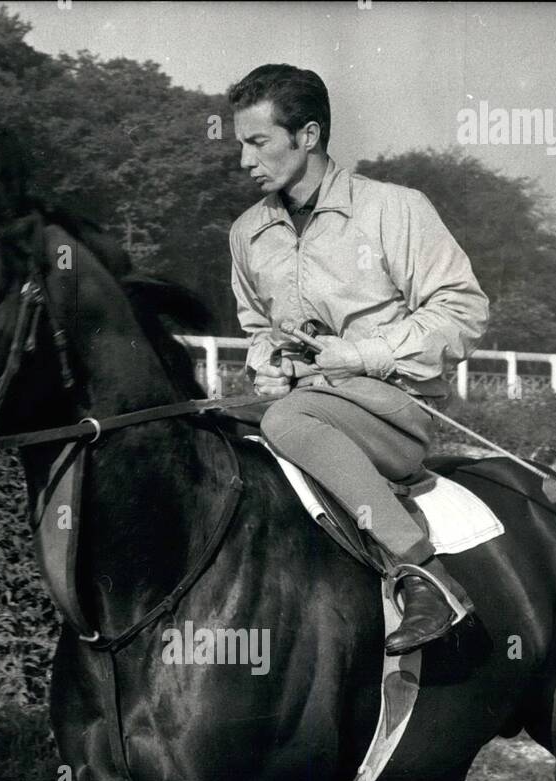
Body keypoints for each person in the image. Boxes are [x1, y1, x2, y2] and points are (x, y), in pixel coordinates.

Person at [227, 64, 490, 653]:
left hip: (396, 411)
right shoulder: (247, 233)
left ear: (310, 135)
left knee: (287, 421)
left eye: (258, 142)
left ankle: (425, 576)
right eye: (240, 143)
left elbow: (464, 312)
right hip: (307, 402)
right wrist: (267, 359)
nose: (244, 159)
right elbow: (257, 328)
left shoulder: (394, 209)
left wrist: (363, 355)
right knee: (212, 430)